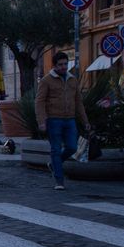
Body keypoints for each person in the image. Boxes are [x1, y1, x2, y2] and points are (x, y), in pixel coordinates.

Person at [36, 51, 90, 190]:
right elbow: (40, 101)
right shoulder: (46, 80)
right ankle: (59, 180)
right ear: (54, 66)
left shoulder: (73, 80)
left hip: (70, 119)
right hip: (54, 120)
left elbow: (78, 102)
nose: (63, 67)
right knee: (55, 149)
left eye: (65, 64)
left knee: (72, 147)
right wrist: (42, 121)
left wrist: (85, 121)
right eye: (60, 64)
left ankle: (54, 164)